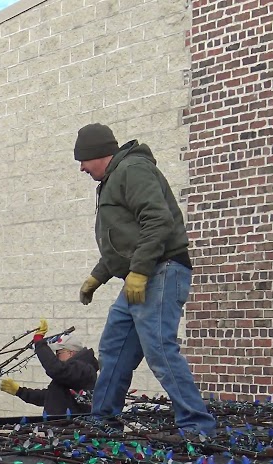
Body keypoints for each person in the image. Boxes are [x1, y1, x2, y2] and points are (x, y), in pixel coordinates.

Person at [74, 123, 216, 437]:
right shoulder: (113, 179)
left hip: (161, 271)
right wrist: (97, 277)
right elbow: (124, 241)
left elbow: (158, 221)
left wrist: (139, 271)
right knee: (114, 346)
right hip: (141, 274)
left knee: (160, 349)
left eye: (83, 160)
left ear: (99, 154)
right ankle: (103, 420)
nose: (81, 167)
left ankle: (197, 426)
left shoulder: (133, 170)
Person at [0, 320, 99, 417]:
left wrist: (39, 342)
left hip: (72, 430)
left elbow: (56, 369)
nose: (56, 357)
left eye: (59, 353)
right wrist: (20, 391)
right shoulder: (71, 374)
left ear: (71, 352)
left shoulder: (83, 370)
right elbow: (50, 397)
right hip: (59, 429)